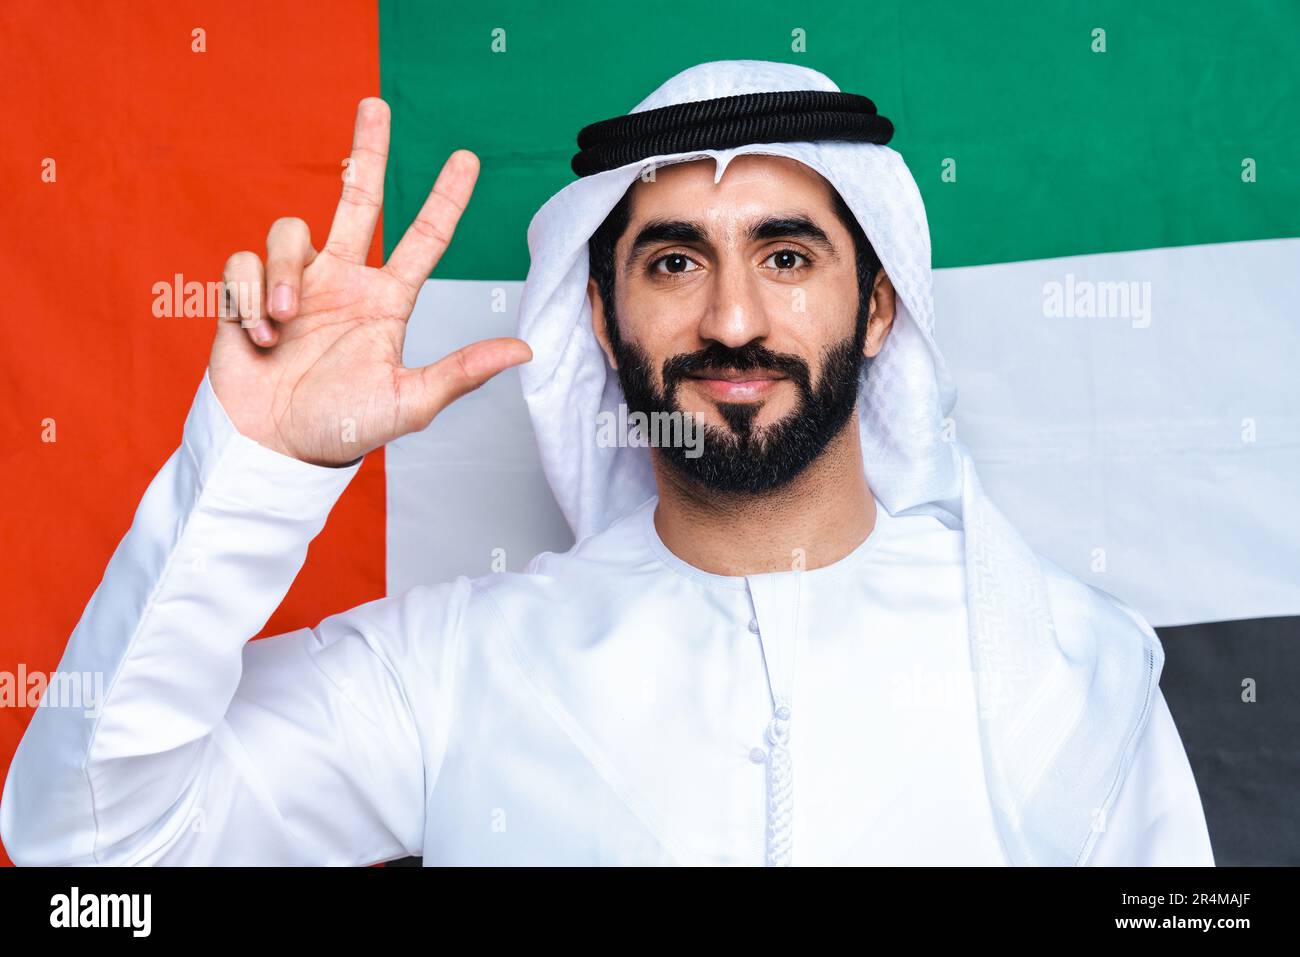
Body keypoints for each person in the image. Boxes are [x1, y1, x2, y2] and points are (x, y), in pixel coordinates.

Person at [0, 60, 1214, 866]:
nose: (731, 319)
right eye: (674, 262)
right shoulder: (457, 668)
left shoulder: (1069, 667)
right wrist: (255, 469)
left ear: (879, 308)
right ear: (599, 314)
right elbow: (89, 851)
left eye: (787, 258)